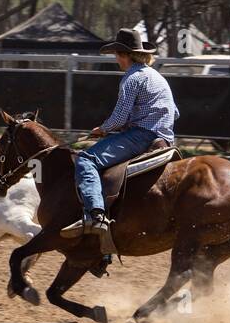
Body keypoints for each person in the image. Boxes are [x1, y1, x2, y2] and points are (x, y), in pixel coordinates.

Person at [62, 26, 179, 240]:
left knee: (86, 160)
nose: (116, 59)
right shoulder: (156, 76)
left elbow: (119, 117)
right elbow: (175, 113)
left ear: (123, 55)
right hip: (165, 138)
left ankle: (95, 214)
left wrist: (102, 129)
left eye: (116, 54)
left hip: (141, 136)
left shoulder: (131, 78)